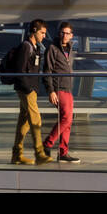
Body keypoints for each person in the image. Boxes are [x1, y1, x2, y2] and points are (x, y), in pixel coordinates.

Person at [10, 18, 51, 166]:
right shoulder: (26, 46)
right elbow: (20, 70)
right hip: (26, 90)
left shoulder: (36, 47)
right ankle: (40, 153)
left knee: (24, 122)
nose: (44, 36)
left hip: (31, 89)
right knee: (36, 119)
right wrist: (28, 89)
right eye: (42, 33)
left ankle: (17, 154)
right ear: (34, 31)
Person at [42, 22, 80, 163]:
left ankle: (63, 153)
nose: (65, 35)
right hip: (58, 89)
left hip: (68, 88)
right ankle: (47, 143)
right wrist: (51, 91)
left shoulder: (70, 49)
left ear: (72, 35)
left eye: (67, 33)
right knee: (66, 118)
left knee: (68, 121)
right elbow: (47, 71)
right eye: (62, 32)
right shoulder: (52, 48)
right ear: (59, 34)